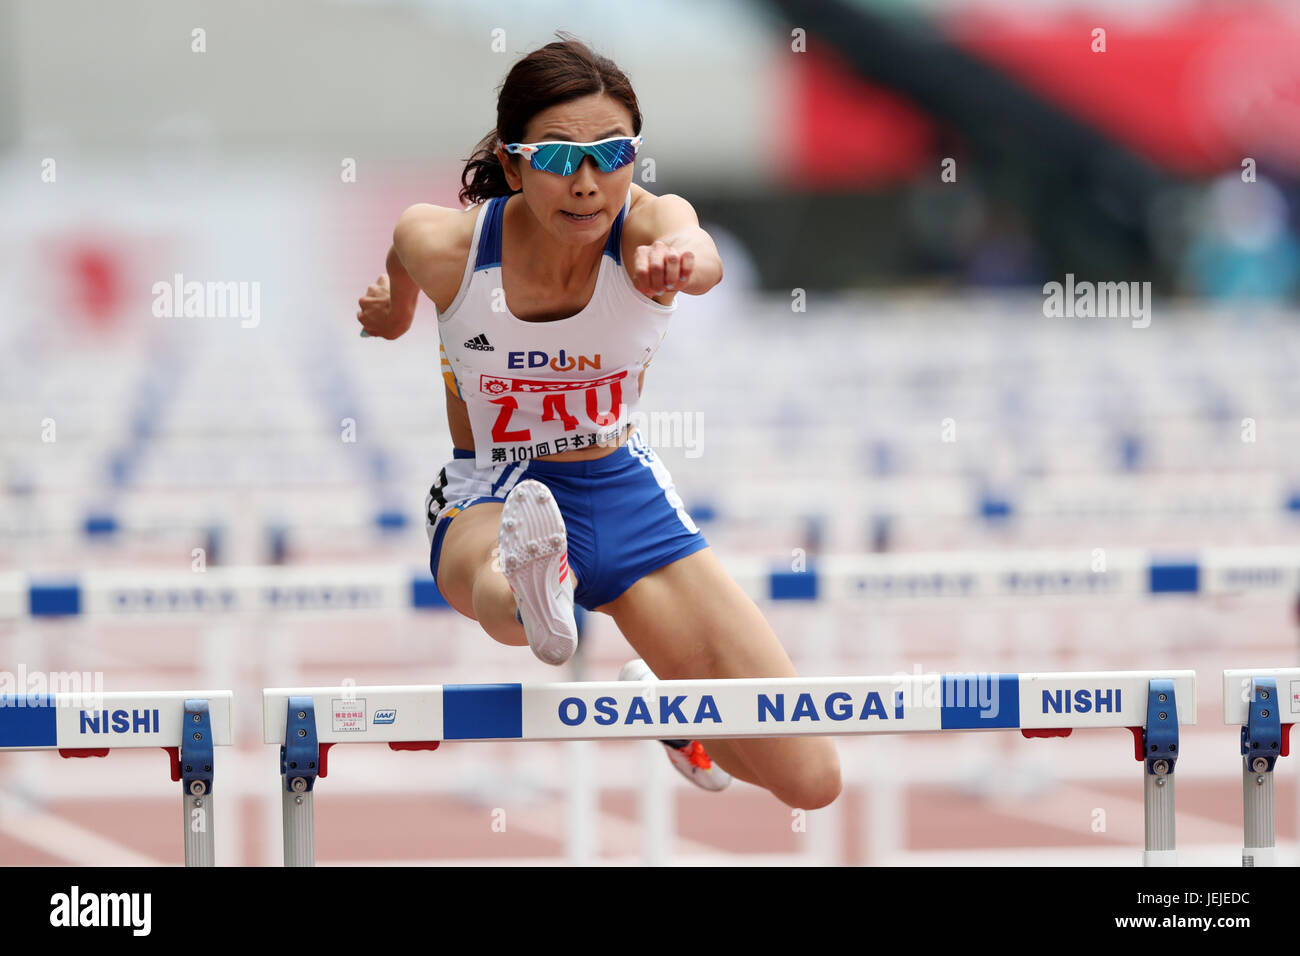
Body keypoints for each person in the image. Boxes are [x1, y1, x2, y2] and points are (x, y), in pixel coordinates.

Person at [356, 34, 840, 810]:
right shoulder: (449, 245)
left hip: (621, 488)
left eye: (610, 156)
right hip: (495, 484)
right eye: (555, 159)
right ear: (512, 166)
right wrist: (395, 306)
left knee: (811, 780)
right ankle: (536, 584)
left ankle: (666, 711)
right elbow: (403, 253)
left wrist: (682, 262)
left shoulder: (652, 226)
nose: (585, 183)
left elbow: (697, 247)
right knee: (513, 604)